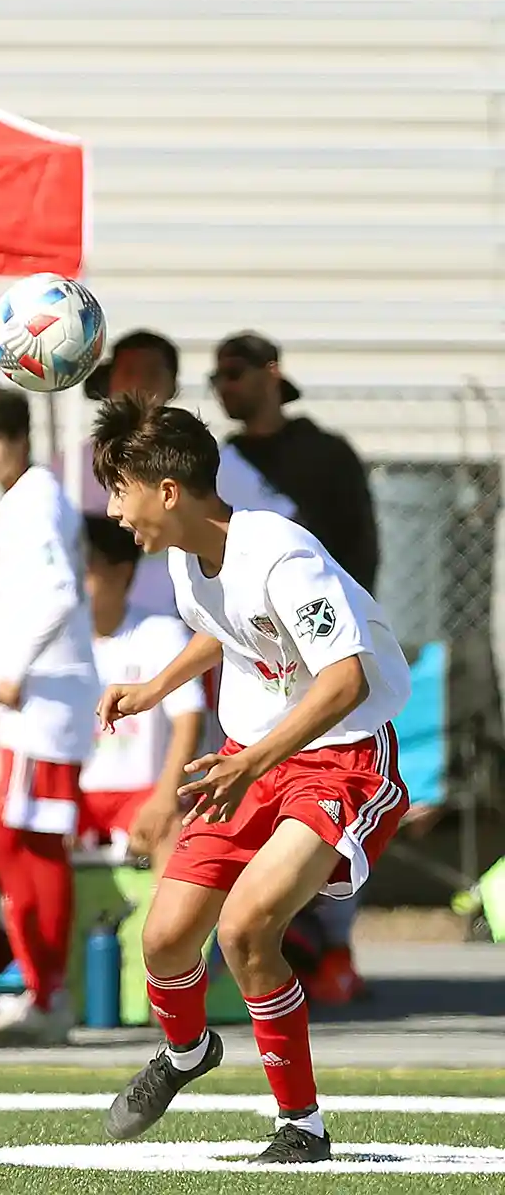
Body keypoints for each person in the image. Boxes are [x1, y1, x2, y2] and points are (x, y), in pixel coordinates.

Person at [92, 393, 410, 1164]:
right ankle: (186, 1053)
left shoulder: (282, 553)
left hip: (341, 758)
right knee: (165, 941)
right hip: (254, 760)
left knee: (244, 928)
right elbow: (224, 629)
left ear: (167, 491)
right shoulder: (185, 559)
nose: (113, 511)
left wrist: (249, 761)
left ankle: (302, 1125)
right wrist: (155, 688)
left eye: (119, 489)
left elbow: (345, 683)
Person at [212, 330, 382, 1001]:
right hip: (256, 655)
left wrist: (348, 633)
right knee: (266, 799)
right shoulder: (220, 462)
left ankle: (336, 946)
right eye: (218, 375)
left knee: (334, 798)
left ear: (271, 373)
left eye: (236, 372)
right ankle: (281, 946)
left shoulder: (325, 454)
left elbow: (361, 550)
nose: (225, 385)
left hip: (324, 646)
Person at [0, 385, 101, 1047]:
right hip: (44, 698)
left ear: (17, 437)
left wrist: (15, 668)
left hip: (41, 697)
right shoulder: (32, 498)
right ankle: (45, 990)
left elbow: (58, 593)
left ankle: (47, 991)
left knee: (14, 837)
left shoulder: (33, 499)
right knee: (25, 839)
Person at [82, 331, 293, 617]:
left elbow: (281, 521)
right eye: (129, 371)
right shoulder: (70, 468)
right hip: (101, 632)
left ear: (173, 386)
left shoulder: (218, 465)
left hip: (178, 627)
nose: (139, 384)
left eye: (153, 372)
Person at [79, 516, 205, 867]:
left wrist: (165, 798)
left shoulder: (161, 633)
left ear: (122, 573)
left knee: (177, 835)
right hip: (74, 798)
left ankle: (164, 924)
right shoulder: (56, 642)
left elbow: (189, 718)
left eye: (85, 568)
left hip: (143, 795)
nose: (72, 580)